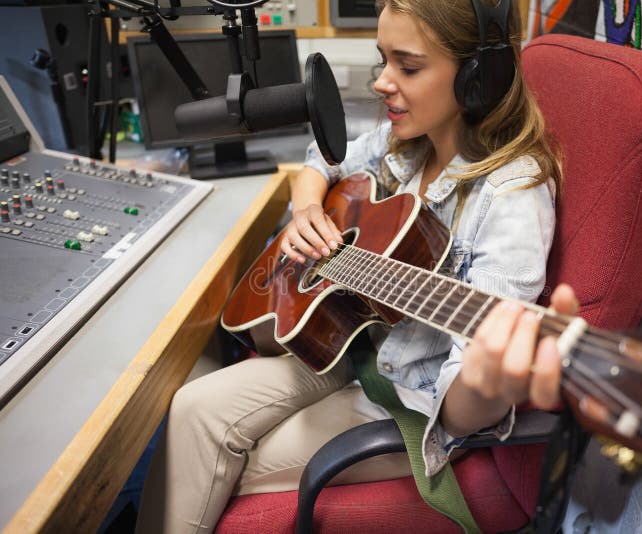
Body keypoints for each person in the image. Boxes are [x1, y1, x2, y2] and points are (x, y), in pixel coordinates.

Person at [135, 1, 576, 532]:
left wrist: (485, 386)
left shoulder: (513, 195)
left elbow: (461, 408)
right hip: (351, 348)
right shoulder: (409, 144)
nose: (382, 83)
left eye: (407, 67)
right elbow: (326, 157)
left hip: (408, 399)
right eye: (382, 60)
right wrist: (305, 210)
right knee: (190, 407)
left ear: (478, 78)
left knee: (212, 454)